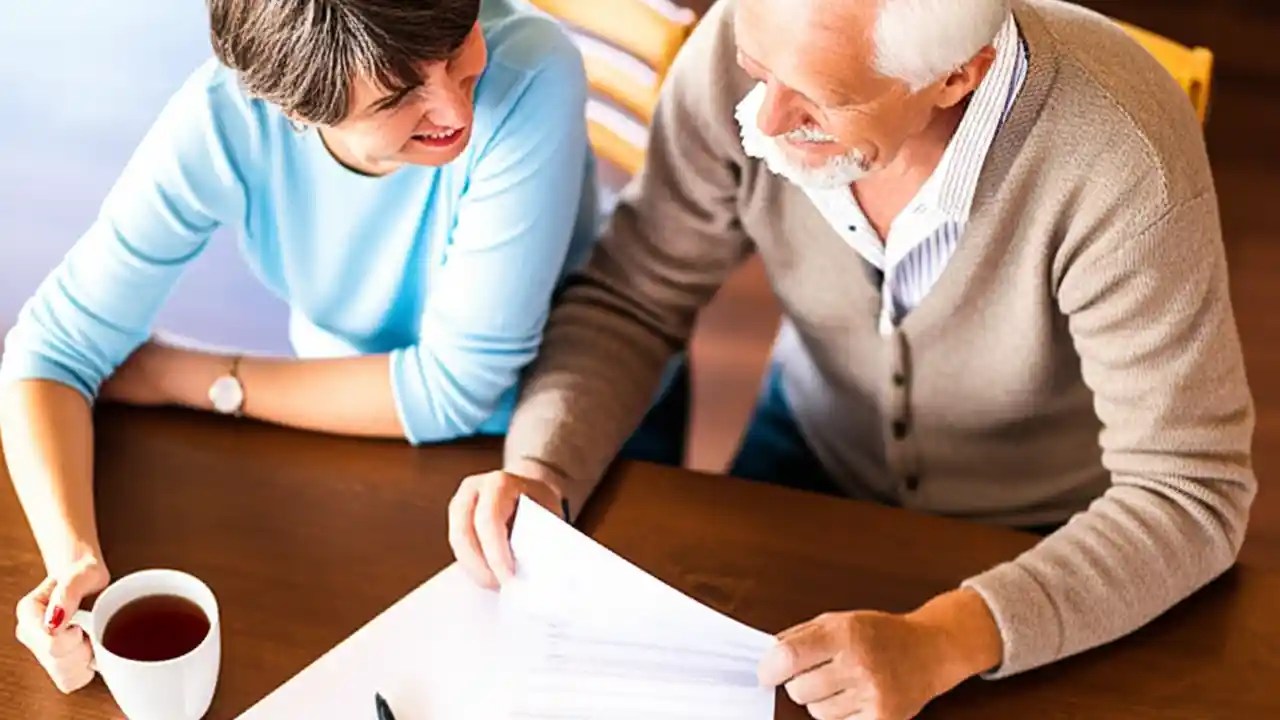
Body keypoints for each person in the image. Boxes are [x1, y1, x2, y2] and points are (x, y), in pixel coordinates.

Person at [447, 0, 1256, 717]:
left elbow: (1190, 494)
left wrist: (944, 640)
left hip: (1043, 531)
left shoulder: (1120, 156)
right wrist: (542, 467)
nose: (763, 120)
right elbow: (634, 297)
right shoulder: (742, 52)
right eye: (757, 72)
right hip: (805, 453)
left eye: (821, 100)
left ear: (955, 76)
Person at [1, 0, 667, 696]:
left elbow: (457, 387)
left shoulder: (529, 71)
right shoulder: (225, 119)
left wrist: (186, 376)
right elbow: (49, 349)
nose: (453, 105)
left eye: (453, 40)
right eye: (397, 95)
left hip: (562, 444)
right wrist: (71, 561)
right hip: (342, 432)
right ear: (294, 112)